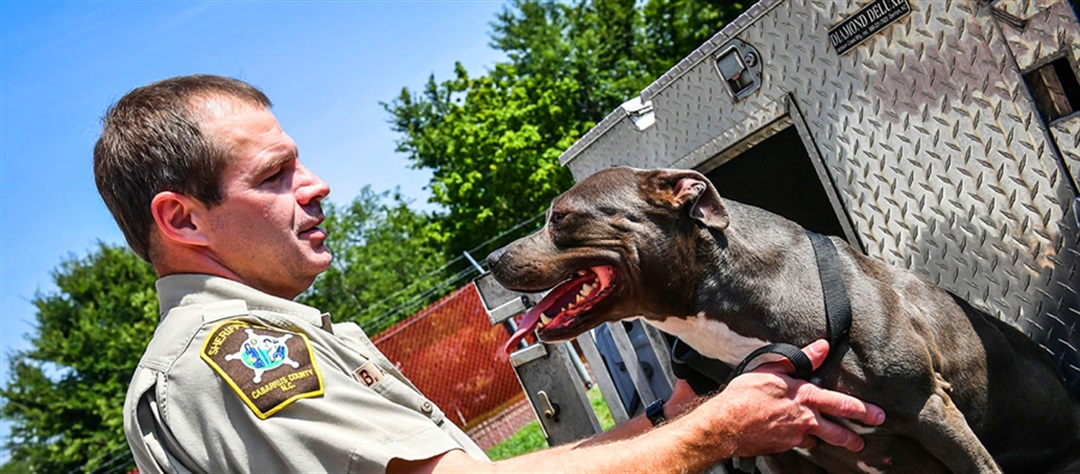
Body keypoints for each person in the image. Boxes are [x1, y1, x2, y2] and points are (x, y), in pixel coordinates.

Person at [95, 74, 885, 473]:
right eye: (273, 175)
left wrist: (665, 420)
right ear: (182, 220)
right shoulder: (235, 353)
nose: (317, 185)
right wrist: (720, 430)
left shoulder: (254, 337)